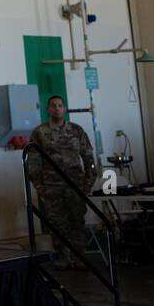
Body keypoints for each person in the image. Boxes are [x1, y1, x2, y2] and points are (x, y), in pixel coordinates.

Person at [27, 95, 98, 270]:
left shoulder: (76, 130)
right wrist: (38, 185)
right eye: (53, 106)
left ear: (64, 109)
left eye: (60, 105)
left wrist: (89, 180)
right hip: (52, 186)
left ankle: (79, 256)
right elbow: (34, 160)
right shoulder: (40, 132)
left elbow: (88, 156)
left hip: (75, 185)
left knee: (77, 220)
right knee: (57, 222)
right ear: (48, 109)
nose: (57, 108)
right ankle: (63, 257)